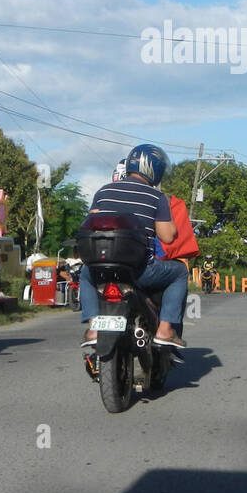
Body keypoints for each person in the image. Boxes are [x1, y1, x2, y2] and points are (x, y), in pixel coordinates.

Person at [79, 143, 189, 349]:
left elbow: (90, 223)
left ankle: (93, 327)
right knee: (180, 272)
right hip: (141, 271)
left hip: (101, 269)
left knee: (85, 273)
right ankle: (165, 330)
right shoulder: (156, 197)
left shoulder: (104, 191)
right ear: (154, 169)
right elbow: (167, 237)